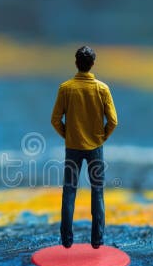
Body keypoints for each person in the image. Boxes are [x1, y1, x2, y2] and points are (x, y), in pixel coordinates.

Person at [50, 46, 118, 249]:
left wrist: (68, 134)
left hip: (73, 146)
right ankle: (97, 240)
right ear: (92, 64)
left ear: (76, 63)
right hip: (95, 146)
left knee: (69, 191)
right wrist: (101, 137)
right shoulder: (101, 89)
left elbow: (55, 119)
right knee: (97, 191)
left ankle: (67, 240)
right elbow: (113, 121)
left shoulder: (66, 88)